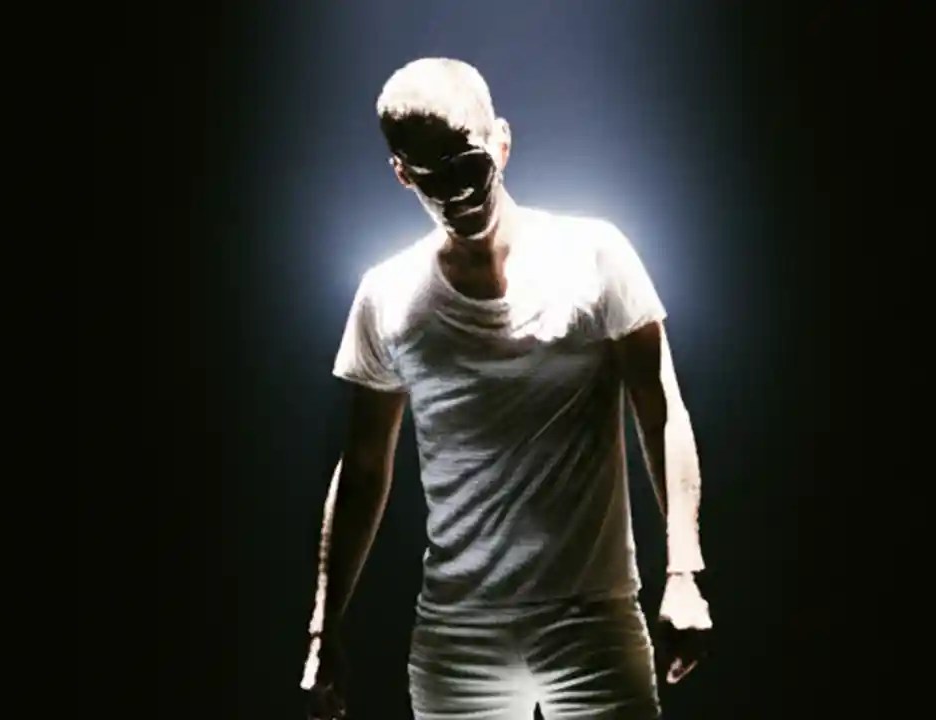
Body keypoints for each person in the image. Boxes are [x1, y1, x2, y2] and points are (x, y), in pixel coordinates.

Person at [301, 57, 713, 720]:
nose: (455, 195)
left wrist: (684, 573)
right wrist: (325, 626)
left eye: (467, 166)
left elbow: (662, 411)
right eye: (430, 178)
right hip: (458, 636)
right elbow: (365, 465)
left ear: (501, 141)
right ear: (402, 172)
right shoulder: (388, 296)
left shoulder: (595, 255)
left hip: (594, 620)